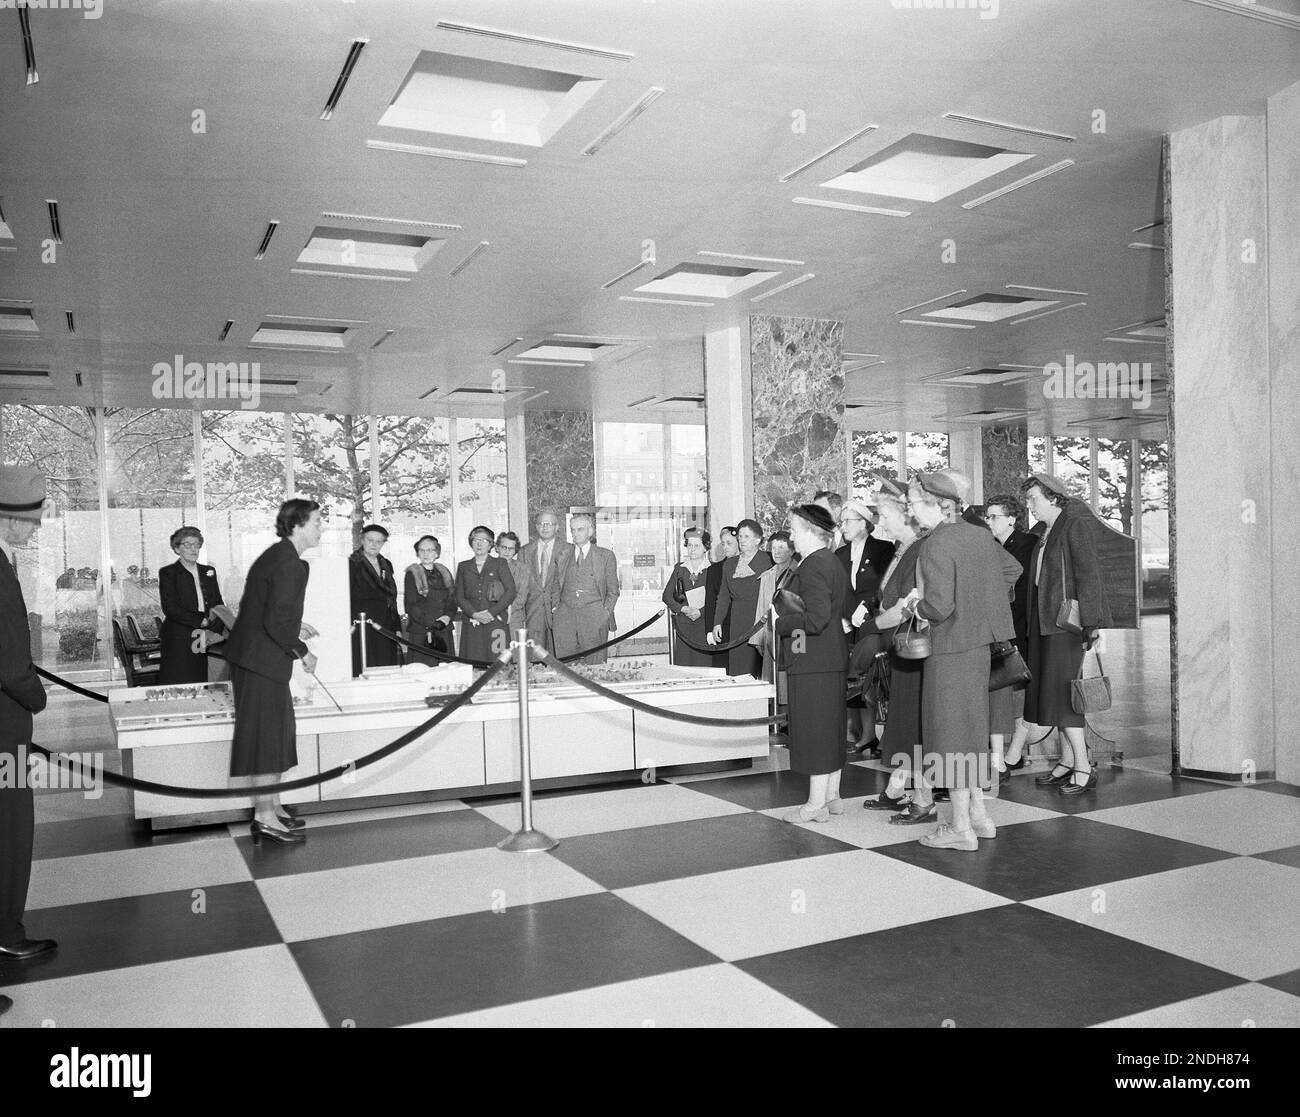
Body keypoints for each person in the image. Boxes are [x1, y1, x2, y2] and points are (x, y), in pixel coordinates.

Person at [902, 471, 1021, 850]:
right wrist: (980, 605)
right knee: (970, 734)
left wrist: (914, 605)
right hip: (978, 647)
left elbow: (938, 606)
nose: (910, 512)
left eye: (913, 504)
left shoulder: (936, 543)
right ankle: (979, 817)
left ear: (936, 504)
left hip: (949, 649)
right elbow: (1011, 570)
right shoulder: (979, 535)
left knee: (949, 736)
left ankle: (959, 828)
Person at [223, 498, 322, 846]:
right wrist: (303, 651)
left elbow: (266, 609)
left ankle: (272, 807)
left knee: (275, 734)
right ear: (296, 525)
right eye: (316, 522)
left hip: (258, 659)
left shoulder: (280, 556)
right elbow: (276, 621)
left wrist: (296, 626)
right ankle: (264, 816)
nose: (321, 528)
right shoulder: (289, 562)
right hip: (260, 662)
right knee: (266, 739)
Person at [1020, 473, 1112, 796]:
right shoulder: (1043, 532)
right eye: (1028, 499)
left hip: (1065, 626)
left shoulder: (1074, 526)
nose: (1029, 505)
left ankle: (1083, 767)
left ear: (1053, 497)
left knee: (1064, 697)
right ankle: (1067, 760)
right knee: (1053, 694)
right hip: (1044, 624)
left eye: (1033, 498)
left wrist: (1092, 623)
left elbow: (1089, 576)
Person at [0, 465, 57, 971]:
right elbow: (8, 659)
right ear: (9, 518)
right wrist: (35, 696)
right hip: (5, 722)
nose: (35, 529)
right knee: (12, 828)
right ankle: (5, 931)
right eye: (32, 520)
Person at [855, 478, 931, 819]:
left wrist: (872, 625)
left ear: (906, 514)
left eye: (885, 515)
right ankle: (897, 788)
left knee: (913, 723)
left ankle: (924, 798)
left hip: (913, 647)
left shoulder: (919, 549)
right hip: (900, 649)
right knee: (903, 721)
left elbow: (906, 606)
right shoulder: (904, 549)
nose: (880, 522)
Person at [774, 503, 850, 822]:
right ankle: (831, 796)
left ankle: (815, 804)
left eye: (794, 530)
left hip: (814, 662)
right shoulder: (830, 561)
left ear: (809, 531)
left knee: (815, 732)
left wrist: (780, 623)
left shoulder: (813, 566)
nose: (791, 537)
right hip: (826, 658)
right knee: (830, 729)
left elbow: (815, 619)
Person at [986, 494, 1041, 775]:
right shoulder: (992, 545)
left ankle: (1014, 751)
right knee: (1002, 690)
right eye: (987, 516)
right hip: (1001, 626)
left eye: (994, 516)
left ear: (1011, 519)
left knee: (1020, 691)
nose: (989, 521)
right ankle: (1008, 752)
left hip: (1021, 626)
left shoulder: (1027, 544)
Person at [837, 498, 896, 754]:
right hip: (848, 625)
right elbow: (839, 590)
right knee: (854, 680)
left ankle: (884, 734)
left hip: (875, 622)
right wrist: (847, 615)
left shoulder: (883, 549)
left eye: (847, 521)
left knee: (876, 679)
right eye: (841, 522)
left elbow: (886, 584)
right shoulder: (840, 554)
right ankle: (866, 734)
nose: (843, 527)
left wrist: (866, 608)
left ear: (863, 523)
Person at [158, 526, 227, 683]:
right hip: (179, 636)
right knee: (180, 682)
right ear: (177, 549)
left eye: (196, 545)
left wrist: (216, 625)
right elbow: (170, 608)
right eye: (187, 544)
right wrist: (200, 621)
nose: (193, 549)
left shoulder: (209, 571)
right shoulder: (168, 572)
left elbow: (217, 602)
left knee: (201, 679)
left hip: (205, 634)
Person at [552, 513, 619, 664]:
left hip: (595, 618)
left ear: (590, 531)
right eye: (573, 530)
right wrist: (556, 608)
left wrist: (604, 613)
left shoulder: (605, 556)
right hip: (565, 618)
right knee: (566, 666)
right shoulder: (563, 555)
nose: (575, 534)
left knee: (595, 665)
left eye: (580, 529)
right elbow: (556, 585)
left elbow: (613, 590)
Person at [712, 518, 773, 677]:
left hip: (760, 618)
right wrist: (717, 622)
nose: (742, 540)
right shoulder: (730, 564)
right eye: (740, 536)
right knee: (738, 666)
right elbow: (724, 596)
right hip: (737, 619)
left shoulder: (768, 560)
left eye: (747, 536)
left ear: (757, 540)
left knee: (760, 668)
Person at [455, 526, 517, 663]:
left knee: (499, 663)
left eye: (484, 540)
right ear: (471, 543)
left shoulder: (499, 563)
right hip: (472, 623)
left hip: (495, 622)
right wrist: (474, 614)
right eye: (476, 540)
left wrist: (491, 613)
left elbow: (511, 591)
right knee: (473, 662)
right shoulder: (463, 566)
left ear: (490, 545)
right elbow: (459, 596)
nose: (479, 543)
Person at [349, 524, 402, 675]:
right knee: (365, 666)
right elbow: (346, 598)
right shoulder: (352, 563)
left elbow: (391, 598)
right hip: (363, 624)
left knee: (386, 667)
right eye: (370, 540)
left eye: (379, 541)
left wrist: (397, 627)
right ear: (362, 540)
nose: (374, 544)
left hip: (385, 625)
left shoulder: (386, 564)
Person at [750, 529, 797, 692]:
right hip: (770, 635)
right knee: (771, 679)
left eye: (781, 547)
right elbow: (761, 608)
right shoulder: (767, 576)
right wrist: (758, 639)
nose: (776, 552)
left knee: (792, 678)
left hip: (792, 635)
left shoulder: (799, 573)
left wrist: (800, 644)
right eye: (774, 548)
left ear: (792, 550)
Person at [520, 510, 573, 652]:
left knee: (561, 654)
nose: (545, 527)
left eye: (549, 524)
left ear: (557, 527)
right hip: (533, 612)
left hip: (560, 611)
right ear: (536, 527)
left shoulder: (569, 550)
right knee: (535, 655)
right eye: (541, 524)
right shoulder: (524, 551)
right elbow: (520, 585)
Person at [663, 527, 714, 667]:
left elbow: (718, 600)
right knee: (684, 665)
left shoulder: (713, 569)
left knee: (704, 665)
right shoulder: (680, 569)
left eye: (696, 545)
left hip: (704, 626)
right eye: (689, 545)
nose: (692, 549)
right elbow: (666, 596)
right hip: (683, 626)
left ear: (705, 547)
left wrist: (701, 612)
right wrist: (683, 609)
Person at [403, 535, 456, 664]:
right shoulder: (413, 573)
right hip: (422, 630)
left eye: (430, 550)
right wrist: (431, 623)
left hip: (443, 628)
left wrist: (447, 617)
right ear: (417, 553)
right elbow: (411, 605)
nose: (425, 553)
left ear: (437, 553)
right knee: (423, 669)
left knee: (445, 669)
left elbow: (452, 599)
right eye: (422, 550)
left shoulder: (444, 572)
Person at [703, 526, 738, 667]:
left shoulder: (750, 567)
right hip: (722, 628)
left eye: (729, 543)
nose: (725, 547)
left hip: (744, 626)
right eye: (723, 544)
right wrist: (709, 630)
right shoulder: (714, 570)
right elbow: (710, 602)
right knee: (722, 667)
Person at [495, 531, 535, 640]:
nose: (507, 551)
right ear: (497, 548)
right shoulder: (488, 567)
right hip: (492, 618)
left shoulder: (523, 569)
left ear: (515, 550)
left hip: (514, 618)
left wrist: (502, 611)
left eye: (511, 548)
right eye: (504, 547)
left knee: (515, 649)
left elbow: (521, 597)